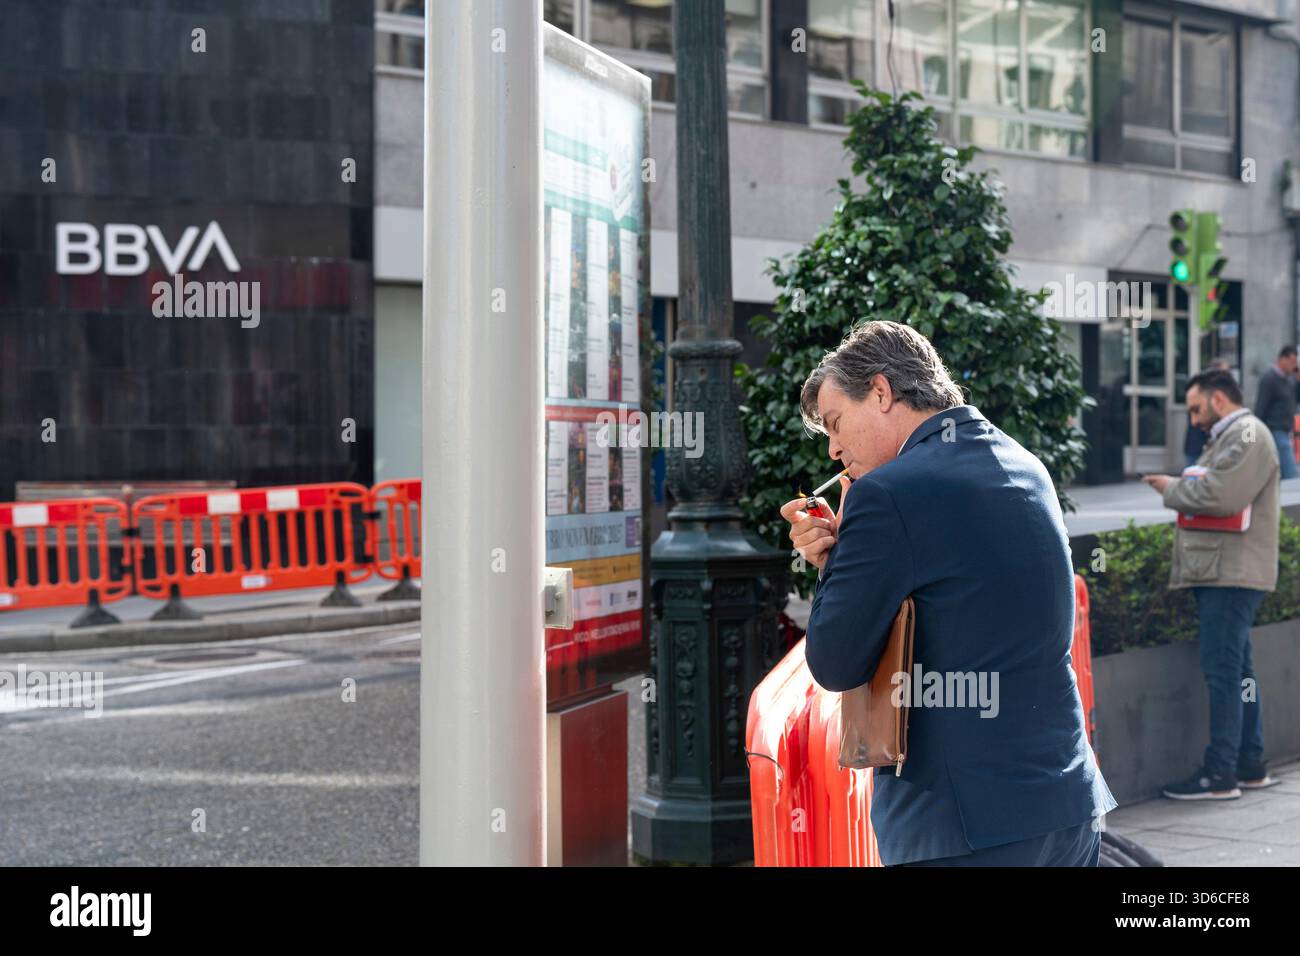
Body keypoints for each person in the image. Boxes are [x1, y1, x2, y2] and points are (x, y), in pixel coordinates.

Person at [781, 320, 1116, 866]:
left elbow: (835, 662)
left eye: (837, 424)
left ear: (883, 392)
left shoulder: (885, 495)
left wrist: (830, 561)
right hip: (1066, 804)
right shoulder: (1026, 465)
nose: (834, 450)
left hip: (958, 827)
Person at [1142, 368, 1282, 799]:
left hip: (1230, 574)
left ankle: (1220, 773)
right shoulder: (1235, 436)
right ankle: (1249, 765)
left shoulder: (1248, 435)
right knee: (1239, 672)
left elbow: (1221, 496)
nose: (1194, 418)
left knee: (1223, 673)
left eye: (1197, 407)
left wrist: (1171, 488)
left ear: (1219, 399)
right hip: (1227, 571)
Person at [1254, 345, 1298, 480]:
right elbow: (1261, 406)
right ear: (1282, 360)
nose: (1294, 366)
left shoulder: (1289, 380)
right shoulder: (1269, 378)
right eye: (1292, 362)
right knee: (1290, 473)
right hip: (1275, 431)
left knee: (1280, 474)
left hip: (1286, 431)